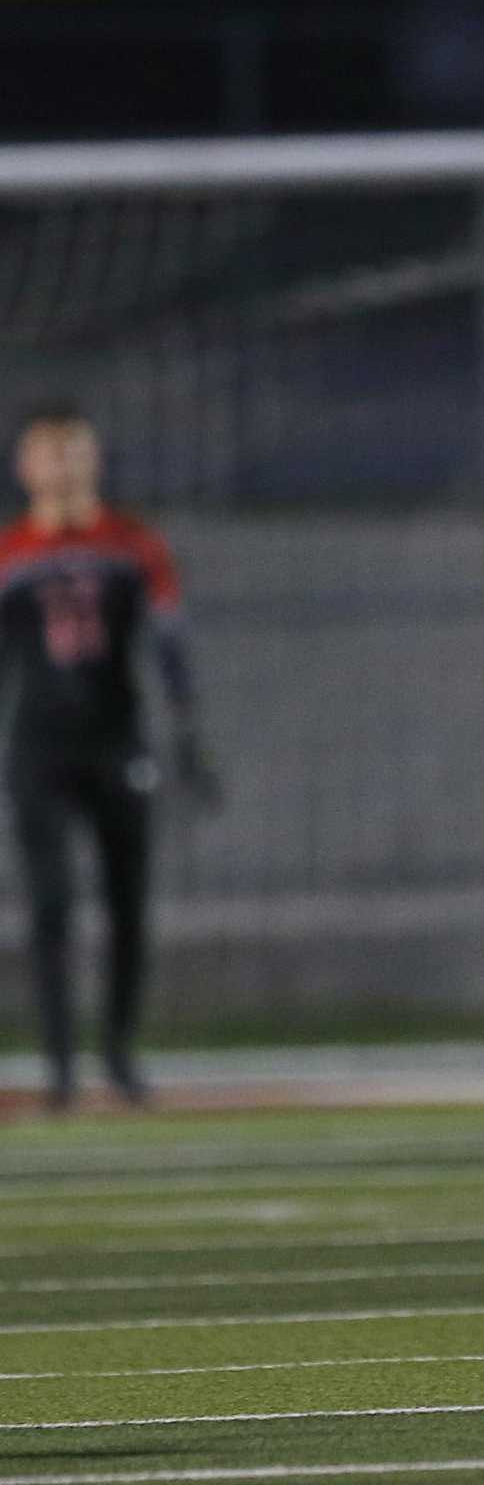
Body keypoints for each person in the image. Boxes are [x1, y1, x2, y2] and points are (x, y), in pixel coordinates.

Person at [0, 404, 219, 1109]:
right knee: (51, 905)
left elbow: (168, 641)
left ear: (93, 460)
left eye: (73, 451)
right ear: (24, 466)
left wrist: (186, 735)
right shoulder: (10, 551)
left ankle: (119, 1054)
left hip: (116, 738)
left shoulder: (130, 542)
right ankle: (61, 1065)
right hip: (38, 742)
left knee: (128, 902)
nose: (61, 466)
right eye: (48, 453)